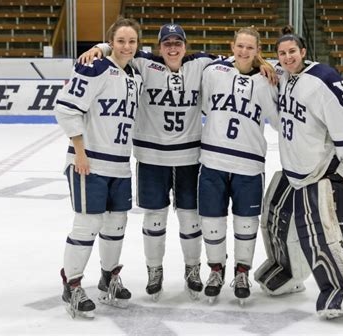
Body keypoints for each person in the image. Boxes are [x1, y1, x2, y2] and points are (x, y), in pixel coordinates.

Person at [78, 24, 277, 301]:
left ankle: (193, 269)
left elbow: (239, 58)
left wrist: (262, 62)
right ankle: (154, 270)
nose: (173, 48)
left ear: (185, 45)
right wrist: (99, 47)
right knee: (155, 218)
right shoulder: (144, 63)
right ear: (159, 47)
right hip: (151, 157)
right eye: (167, 43)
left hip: (189, 157)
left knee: (191, 219)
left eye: (178, 43)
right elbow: (120, 47)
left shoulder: (203, 64)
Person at [261, 25, 343, 318]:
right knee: (275, 218)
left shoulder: (324, 79)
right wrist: (264, 64)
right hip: (294, 170)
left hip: (321, 172)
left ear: (304, 52)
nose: (287, 58)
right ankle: (287, 270)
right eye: (282, 54)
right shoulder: (284, 75)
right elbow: (261, 62)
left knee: (321, 234)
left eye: (292, 52)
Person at [55, 17, 143, 318]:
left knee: (116, 225)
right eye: (120, 41)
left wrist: (103, 46)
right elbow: (65, 109)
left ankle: (108, 278)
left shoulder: (135, 73)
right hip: (90, 161)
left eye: (132, 41)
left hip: (119, 164)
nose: (127, 46)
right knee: (87, 224)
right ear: (112, 42)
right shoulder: (95, 66)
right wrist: (79, 153)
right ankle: (73, 284)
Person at [198, 26, 278, 305]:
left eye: (250, 48)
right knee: (212, 221)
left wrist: (270, 68)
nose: (244, 51)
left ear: (258, 51)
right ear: (232, 46)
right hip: (213, 160)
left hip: (249, 163)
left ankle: (242, 271)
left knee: (246, 223)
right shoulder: (213, 71)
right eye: (240, 46)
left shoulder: (268, 80)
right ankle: (216, 270)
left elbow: (279, 120)